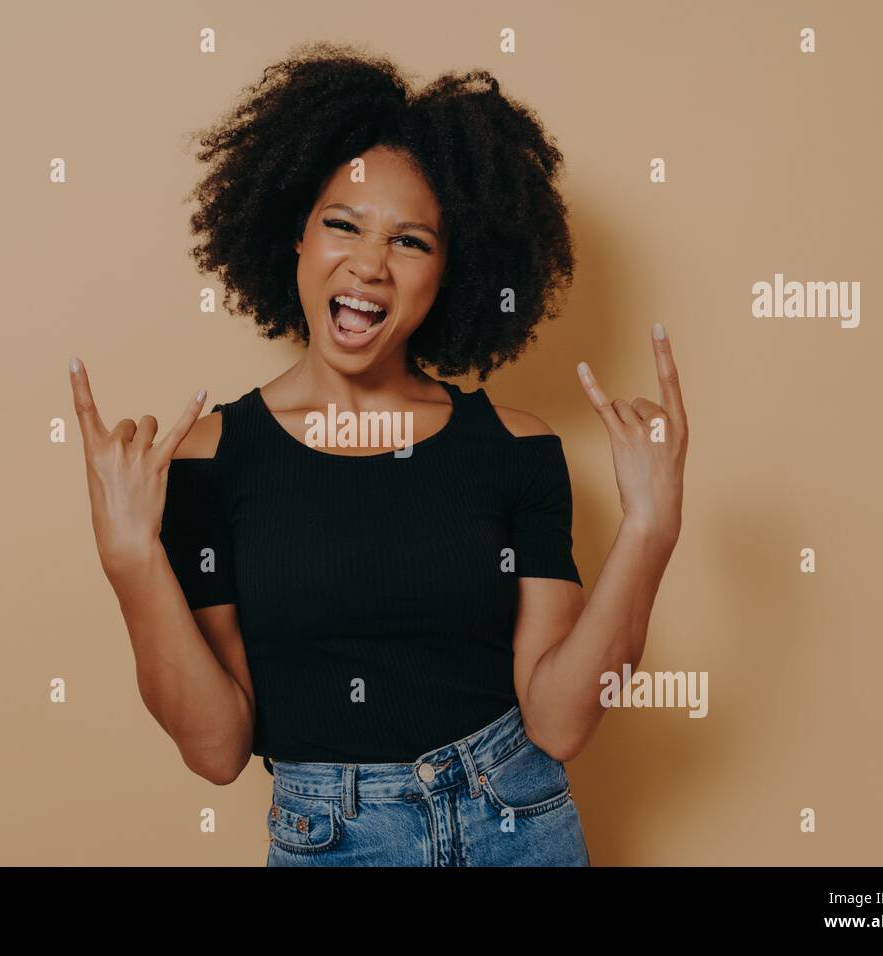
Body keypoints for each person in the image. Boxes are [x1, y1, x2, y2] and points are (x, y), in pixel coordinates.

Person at [68, 42, 687, 866]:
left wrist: (649, 530)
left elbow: (562, 721)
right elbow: (216, 751)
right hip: (330, 839)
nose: (368, 264)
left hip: (518, 821)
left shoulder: (517, 446)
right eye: (343, 225)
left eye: (411, 242)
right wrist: (129, 560)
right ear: (296, 234)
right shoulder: (209, 461)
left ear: (449, 273)